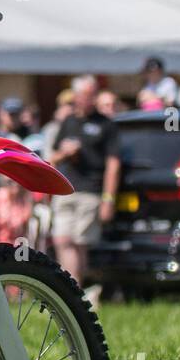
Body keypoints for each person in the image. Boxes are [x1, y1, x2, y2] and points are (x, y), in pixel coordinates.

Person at [47, 76, 120, 292]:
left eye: (93, 94)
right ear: (76, 96)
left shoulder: (106, 125)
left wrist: (109, 198)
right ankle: (73, 290)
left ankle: (75, 291)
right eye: (86, 94)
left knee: (79, 243)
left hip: (90, 191)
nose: (90, 99)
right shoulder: (68, 122)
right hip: (65, 189)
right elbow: (53, 157)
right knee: (61, 240)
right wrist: (65, 153)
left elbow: (113, 165)